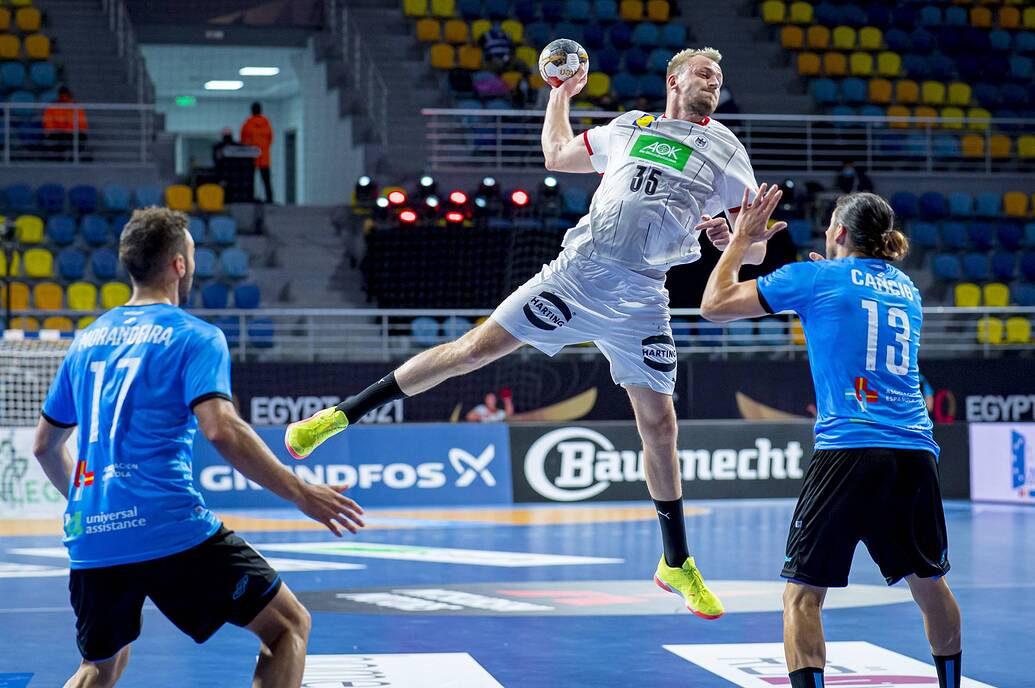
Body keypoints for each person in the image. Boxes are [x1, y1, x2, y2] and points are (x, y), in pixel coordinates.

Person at [285, 47, 768, 621]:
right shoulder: (628, 128)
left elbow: (755, 244)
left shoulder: (729, 153)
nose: (713, 81)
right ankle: (338, 416)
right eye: (704, 73)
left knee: (660, 424)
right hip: (575, 275)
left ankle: (675, 562)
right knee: (470, 351)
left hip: (641, 297)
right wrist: (559, 96)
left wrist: (732, 241)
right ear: (674, 79)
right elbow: (558, 155)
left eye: (719, 75)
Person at [33, 207, 364, 688]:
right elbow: (222, 430)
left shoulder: (86, 341)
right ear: (180, 265)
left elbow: (46, 445)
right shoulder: (194, 336)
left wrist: (95, 506)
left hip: (94, 534)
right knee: (288, 626)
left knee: (100, 666)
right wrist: (302, 493)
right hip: (170, 527)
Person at [699, 189, 962, 688]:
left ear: (838, 232)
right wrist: (825, 278)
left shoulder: (815, 278)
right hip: (914, 453)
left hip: (848, 452)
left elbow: (714, 305)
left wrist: (739, 241)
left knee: (802, 597)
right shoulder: (906, 287)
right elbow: (852, 305)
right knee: (930, 584)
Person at [43, 87, 89, 161]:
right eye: (62, 96)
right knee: (60, 137)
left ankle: (73, 157)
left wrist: (81, 130)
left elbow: (82, 124)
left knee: (82, 136)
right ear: (59, 96)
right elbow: (48, 124)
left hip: (71, 132)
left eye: (66, 96)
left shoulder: (76, 107)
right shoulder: (52, 107)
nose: (64, 98)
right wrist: (52, 130)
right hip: (58, 132)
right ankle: (60, 157)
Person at [241, 102, 274, 203]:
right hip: (264, 157)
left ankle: (249, 198)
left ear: (252, 111)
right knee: (266, 180)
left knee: (250, 180)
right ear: (261, 110)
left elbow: (243, 141)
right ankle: (269, 199)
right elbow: (270, 139)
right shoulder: (266, 124)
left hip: (251, 157)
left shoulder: (248, 124)